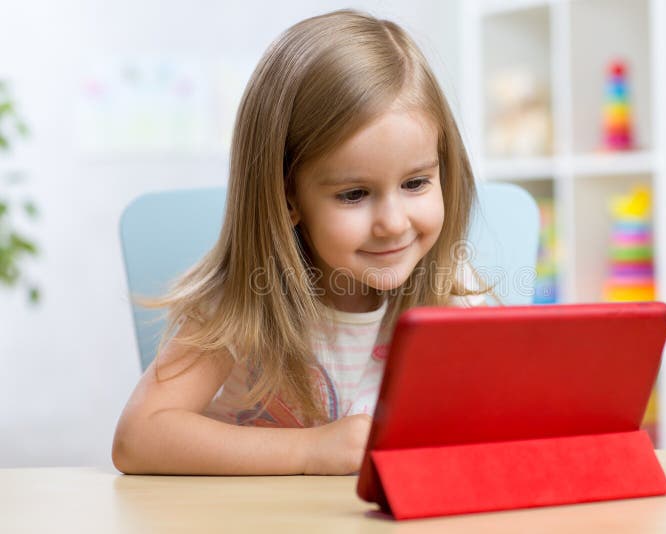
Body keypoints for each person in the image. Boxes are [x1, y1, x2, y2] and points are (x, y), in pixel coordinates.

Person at [112, 9, 489, 476]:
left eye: (415, 183)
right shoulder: (241, 302)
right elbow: (137, 438)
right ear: (287, 197)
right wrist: (310, 451)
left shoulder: (453, 291)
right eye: (354, 194)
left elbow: (504, 420)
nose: (394, 223)